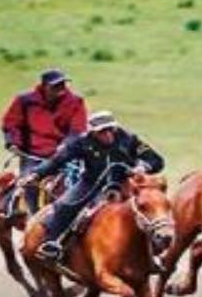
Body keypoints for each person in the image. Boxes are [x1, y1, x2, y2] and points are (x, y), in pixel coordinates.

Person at [22, 110, 165, 261]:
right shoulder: (80, 142)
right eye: (103, 131)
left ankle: (157, 245)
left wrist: (143, 167)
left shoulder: (129, 139)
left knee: (150, 206)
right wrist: (36, 174)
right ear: (93, 132)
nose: (108, 134)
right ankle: (52, 242)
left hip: (125, 182)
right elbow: (57, 161)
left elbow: (156, 160)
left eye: (111, 129)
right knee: (65, 205)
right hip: (91, 183)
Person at [0, 69, 88, 212]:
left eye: (63, 85)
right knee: (29, 184)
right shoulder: (25, 101)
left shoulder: (75, 102)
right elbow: (11, 124)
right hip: (33, 155)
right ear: (44, 86)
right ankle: (34, 218)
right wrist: (13, 143)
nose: (61, 89)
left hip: (65, 155)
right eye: (56, 86)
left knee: (87, 182)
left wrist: (67, 145)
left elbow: (78, 130)